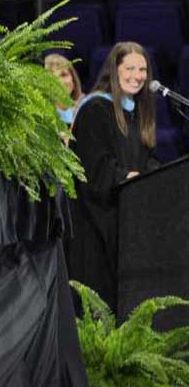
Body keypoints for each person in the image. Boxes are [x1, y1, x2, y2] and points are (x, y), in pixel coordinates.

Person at [67, 42, 160, 314]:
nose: (137, 75)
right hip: (95, 218)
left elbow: (148, 159)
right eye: (129, 68)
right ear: (114, 70)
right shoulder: (95, 109)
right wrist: (126, 176)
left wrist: (154, 177)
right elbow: (94, 165)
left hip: (127, 214)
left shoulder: (139, 110)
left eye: (142, 69)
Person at [46, 53, 83, 125]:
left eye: (63, 75)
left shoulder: (85, 107)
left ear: (73, 78)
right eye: (53, 78)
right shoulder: (41, 115)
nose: (60, 82)